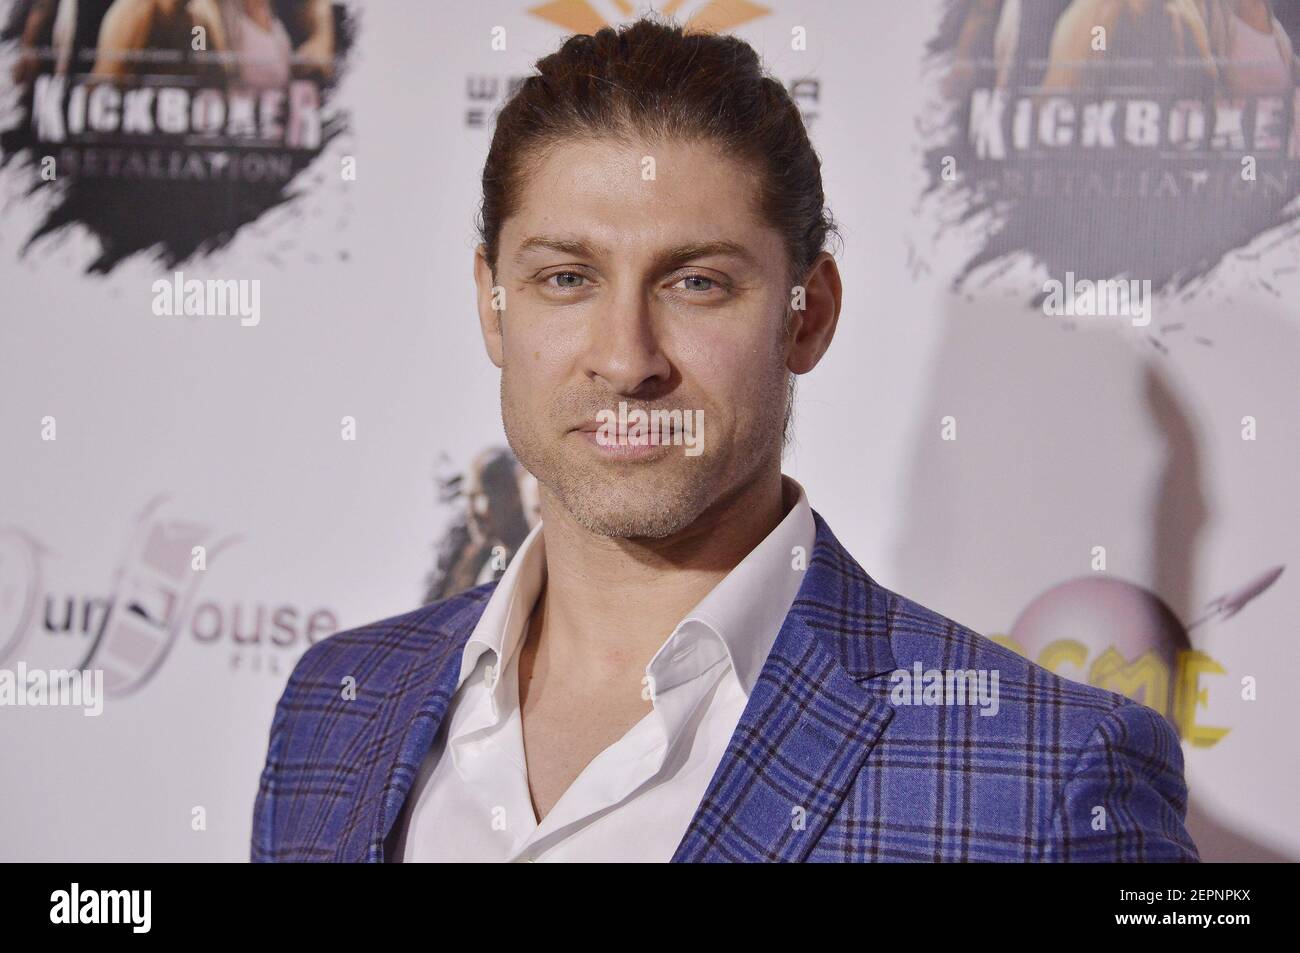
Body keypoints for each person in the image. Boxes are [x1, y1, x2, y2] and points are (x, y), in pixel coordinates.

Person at [251, 15, 1199, 863]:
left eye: (695, 282)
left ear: (807, 314)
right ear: (493, 307)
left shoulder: (1043, 778)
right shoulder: (338, 704)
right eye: (567, 279)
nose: (626, 360)